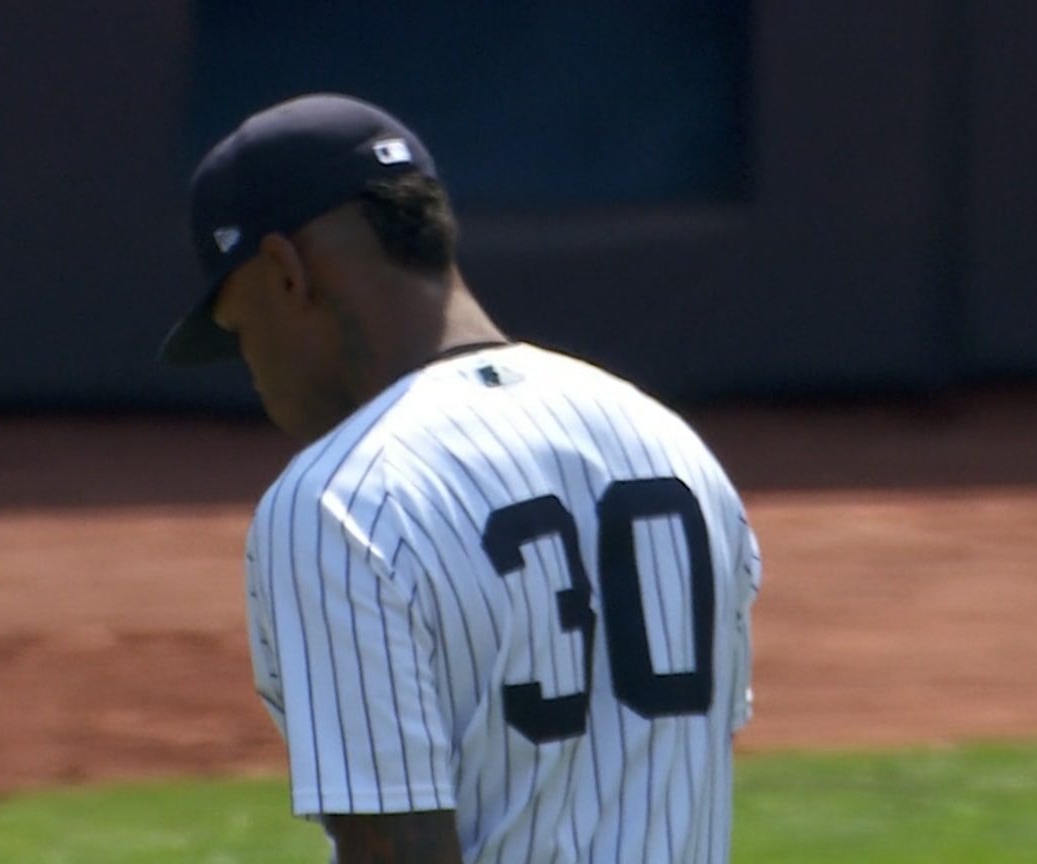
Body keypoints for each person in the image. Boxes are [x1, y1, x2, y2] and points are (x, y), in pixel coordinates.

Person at [159, 93, 762, 864]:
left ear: (286, 271)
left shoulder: (340, 502)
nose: (251, 370)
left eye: (240, 330)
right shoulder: (669, 445)